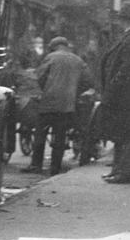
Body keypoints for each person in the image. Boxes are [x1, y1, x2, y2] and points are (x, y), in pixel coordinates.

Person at [21, 36, 93, 176]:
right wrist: (75, 93)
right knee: (60, 135)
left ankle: (36, 165)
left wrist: (45, 89)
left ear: (53, 47)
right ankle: (55, 168)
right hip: (67, 105)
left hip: (48, 102)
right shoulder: (78, 60)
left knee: (40, 133)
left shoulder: (51, 57)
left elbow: (40, 76)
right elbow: (88, 81)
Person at [99, 3, 130, 183]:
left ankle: (123, 173)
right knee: (121, 133)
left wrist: (112, 88)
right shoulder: (125, 36)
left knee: (125, 134)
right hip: (122, 94)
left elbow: (126, 68)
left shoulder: (128, 38)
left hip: (124, 95)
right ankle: (117, 170)